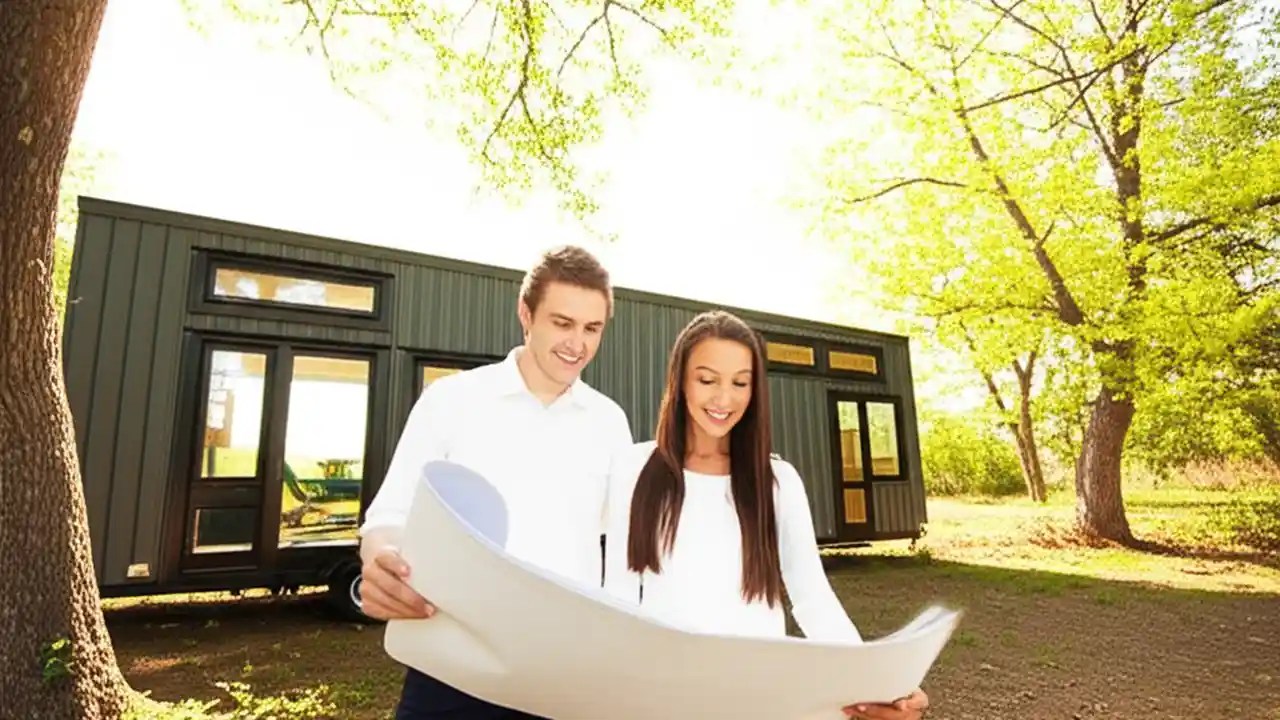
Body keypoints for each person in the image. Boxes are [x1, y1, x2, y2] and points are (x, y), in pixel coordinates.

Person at [602, 310, 932, 720]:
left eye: (740, 383)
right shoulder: (633, 468)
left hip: (760, 700)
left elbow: (812, 597)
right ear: (680, 381)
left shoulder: (778, 481)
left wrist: (873, 682)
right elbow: (616, 595)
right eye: (707, 380)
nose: (724, 399)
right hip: (666, 699)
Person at [358, 245, 634, 719]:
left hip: (564, 679)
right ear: (526, 314)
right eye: (562, 323)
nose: (577, 344)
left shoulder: (611, 422)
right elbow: (389, 516)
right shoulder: (451, 400)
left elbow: (627, 545)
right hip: (451, 673)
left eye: (592, 329)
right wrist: (379, 560)